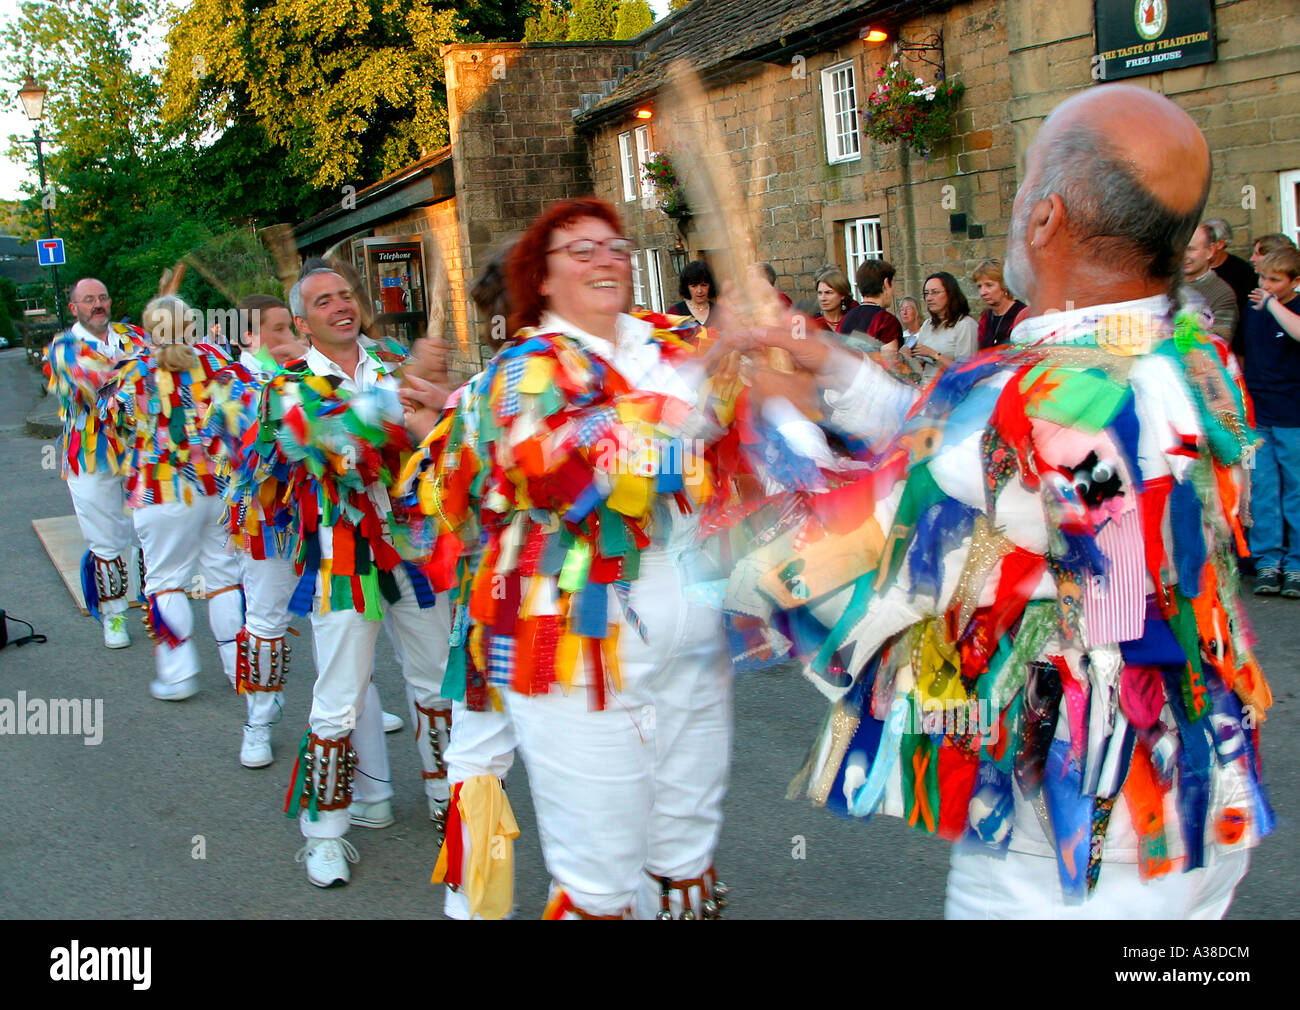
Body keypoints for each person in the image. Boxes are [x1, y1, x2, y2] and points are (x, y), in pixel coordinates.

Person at [736, 83, 1271, 918]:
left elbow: (828, 568)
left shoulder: (1031, 397)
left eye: (1024, 180)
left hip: (1068, 845)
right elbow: (986, 467)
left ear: (1047, 216)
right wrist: (837, 371)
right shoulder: (1194, 361)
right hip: (1194, 784)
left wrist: (767, 426)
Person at [401, 198, 742, 919]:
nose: (603, 259)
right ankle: (474, 898)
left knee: (673, 840)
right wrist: (702, 387)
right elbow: (587, 468)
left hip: (671, 617)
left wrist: (760, 360)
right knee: (485, 760)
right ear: (542, 283)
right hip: (541, 619)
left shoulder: (665, 340)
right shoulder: (519, 375)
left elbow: (748, 416)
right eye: (578, 251)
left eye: (613, 246)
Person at [237, 268, 454, 888]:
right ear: (301, 323)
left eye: (345, 296)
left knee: (435, 683)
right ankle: (325, 834)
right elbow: (338, 444)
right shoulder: (286, 384)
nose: (339, 306)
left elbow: (437, 439)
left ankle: (447, 801)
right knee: (338, 695)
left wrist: (436, 395)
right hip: (341, 556)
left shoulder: (390, 361)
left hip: (412, 543)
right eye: (321, 301)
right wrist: (408, 395)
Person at [102, 295, 243, 702]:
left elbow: (118, 423)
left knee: (165, 580)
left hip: (160, 490)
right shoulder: (217, 359)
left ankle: (179, 675)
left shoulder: (132, 371)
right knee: (224, 577)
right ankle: (241, 671)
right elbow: (238, 411)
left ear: (150, 327)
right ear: (192, 323)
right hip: (216, 485)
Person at [44, 278, 148, 649]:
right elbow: (95, 385)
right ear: (74, 308)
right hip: (89, 453)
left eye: (102, 297)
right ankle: (114, 614)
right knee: (104, 536)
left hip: (138, 449)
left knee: (146, 529)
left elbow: (157, 375)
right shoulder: (62, 347)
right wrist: (131, 374)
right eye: (89, 300)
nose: (98, 304)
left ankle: (155, 606)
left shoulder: (133, 335)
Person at [1242, 246, 1300, 597]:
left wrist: (1273, 304)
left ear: (1295, 281)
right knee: (1263, 492)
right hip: (1258, 415)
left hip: (1293, 416)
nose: (1265, 284)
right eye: (1262, 277)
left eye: (1275, 279)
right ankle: (1267, 562)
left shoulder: (1285, 307)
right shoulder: (1253, 309)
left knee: (1295, 492)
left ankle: (1295, 565)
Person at [910, 270, 977, 378]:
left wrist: (934, 355)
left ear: (950, 294)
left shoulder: (965, 325)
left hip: (952, 389)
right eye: (926, 293)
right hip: (928, 388)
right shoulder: (928, 324)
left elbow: (966, 370)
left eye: (935, 292)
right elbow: (920, 361)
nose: (929, 298)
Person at [1203, 218, 1255, 351]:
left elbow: (1247, 311)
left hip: (1234, 342)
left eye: (1206, 243)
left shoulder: (1241, 271)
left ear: (1220, 244)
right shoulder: (1192, 268)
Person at [1182, 224, 1238, 342]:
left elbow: (1220, 341)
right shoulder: (1162, 285)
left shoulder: (1221, 293)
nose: (1183, 256)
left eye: (1191, 249)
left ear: (1210, 251)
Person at [839, 259, 903, 349]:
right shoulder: (886, 322)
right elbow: (890, 360)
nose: (893, 290)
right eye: (892, 284)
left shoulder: (845, 319)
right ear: (886, 284)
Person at [971, 259, 1028, 349]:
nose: (982, 292)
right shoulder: (986, 318)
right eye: (979, 286)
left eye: (989, 285)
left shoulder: (1021, 314)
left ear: (1004, 286)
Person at [668, 259, 718, 325]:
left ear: (711, 285)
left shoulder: (720, 312)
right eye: (694, 286)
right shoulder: (675, 312)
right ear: (686, 287)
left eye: (704, 285)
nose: (699, 291)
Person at [810, 267, 855, 332]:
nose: (822, 298)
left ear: (842, 295)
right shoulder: (811, 324)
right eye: (820, 293)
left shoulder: (853, 321)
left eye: (828, 292)